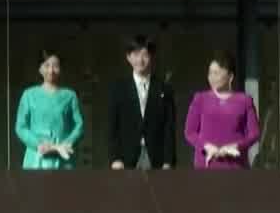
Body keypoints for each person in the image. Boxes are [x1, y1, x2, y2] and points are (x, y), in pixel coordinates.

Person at [108, 35, 176, 170]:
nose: (140, 59)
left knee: (156, 191)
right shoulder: (119, 88)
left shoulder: (164, 88)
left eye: (144, 54)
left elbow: (169, 127)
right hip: (126, 157)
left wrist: (168, 161)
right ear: (128, 57)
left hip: (156, 157)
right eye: (136, 54)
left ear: (151, 57)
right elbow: (112, 127)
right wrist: (115, 158)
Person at [185, 52, 260, 170]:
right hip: (206, 165)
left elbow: (254, 133)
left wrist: (236, 146)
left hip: (235, 166)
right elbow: (190, 132)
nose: (212, 77)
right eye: (210, 73)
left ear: (230, 76)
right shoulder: (200, 98)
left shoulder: (244, 100)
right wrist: (206, 146)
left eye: (217, 73)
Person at [14, 49, 84, 170]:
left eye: (55, 66)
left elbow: (79, 125)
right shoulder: (29, 95)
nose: (51, 70)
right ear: (40, 69)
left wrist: (67, 143)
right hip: (36, 158)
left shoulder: (69, 95)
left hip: (63, 158)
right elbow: (20, 126)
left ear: (61, 69)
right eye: (47, 65)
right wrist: (38, 144)